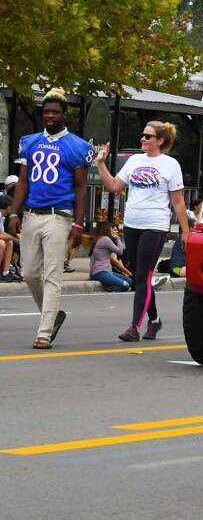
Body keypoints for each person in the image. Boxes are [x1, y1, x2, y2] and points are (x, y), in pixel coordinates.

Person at [10, 90, 93, 349]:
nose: (50, 116)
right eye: (46, 111)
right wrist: (14, 211)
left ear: (63, 115)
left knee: (53, 274)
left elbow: (81, 188)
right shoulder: (30, 141)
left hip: (60, 216)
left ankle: (44, 332)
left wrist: (79, 224)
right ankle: (53, 315)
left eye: (55, 112)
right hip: (32, 214)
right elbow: (23, 181)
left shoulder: (78, 146)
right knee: (29, 273)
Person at [95, 121, 189, 342]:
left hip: (155, 225)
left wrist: (185, 232)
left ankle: (134, 327)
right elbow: (114, 186)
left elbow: (178, 201)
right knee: (140, 276)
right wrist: (101, 164)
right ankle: (154, 320)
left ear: (160, 140)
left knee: (143, 275)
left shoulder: (170, 164)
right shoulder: (134, 160)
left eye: (148, 136)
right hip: (132, 223)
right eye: (143, 135)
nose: (143, 139)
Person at [90, 221, 133, 292]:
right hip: (100, 272)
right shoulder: (105, 239)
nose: (116, 232)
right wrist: (118, 238)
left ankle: (111, 286)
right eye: (113, 229)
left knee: (129, 281)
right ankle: (110, 288)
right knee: (126, 285)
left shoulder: (102, 239)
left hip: (107, 272)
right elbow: (120, 252)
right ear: (107, 229)